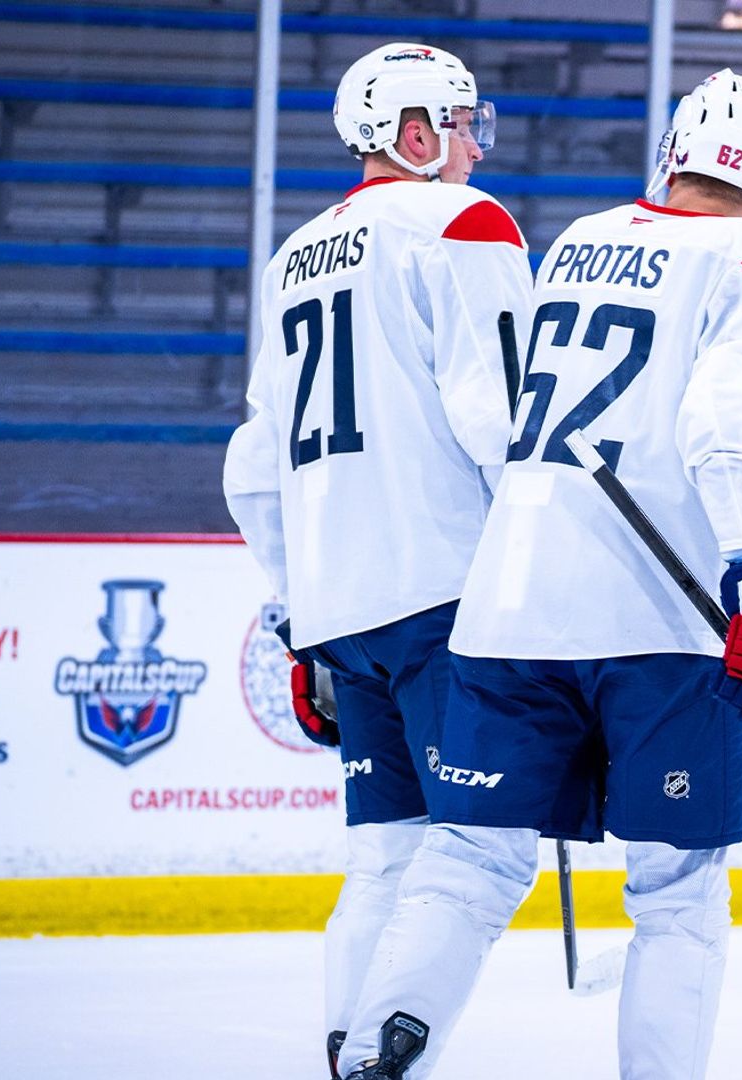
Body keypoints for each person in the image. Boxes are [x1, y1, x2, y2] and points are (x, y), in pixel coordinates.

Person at [334, 69, 742, 1080]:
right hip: (659, 631)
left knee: (466, 863)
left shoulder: (579, 242)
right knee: (678, 893)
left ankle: (375, 1056)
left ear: (670, 151)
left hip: (508, 615)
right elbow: (720, 433)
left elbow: (620, 429)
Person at [221, 41, 532, 1079]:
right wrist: (535, 579)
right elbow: (504, 425)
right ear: (412, 133)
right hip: (450, 593)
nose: (474, 147)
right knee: (487, 849)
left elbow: (253, 470)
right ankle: (378, 1066)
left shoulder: (291, 256)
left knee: (387, 854)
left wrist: (296, 607)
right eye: (459, 123)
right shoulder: (462, 222)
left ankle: (348, 1055)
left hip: (339, 610)